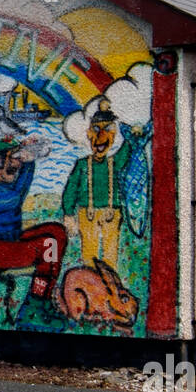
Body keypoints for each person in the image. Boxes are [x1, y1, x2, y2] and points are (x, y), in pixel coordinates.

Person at [0, 137, 67, 299]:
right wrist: (27, 164)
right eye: (11, 159)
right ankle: (38, 300)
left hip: (7, 242)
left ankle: (47, 288)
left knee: (56, 231)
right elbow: (16, 198)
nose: (15, 165)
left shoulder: (4, 183)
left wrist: (28, 161)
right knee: (48, 245)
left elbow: (19, 190)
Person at [62, 99, 132, 266]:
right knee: (89, 253)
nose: (101, 136)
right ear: (89, 133)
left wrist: (133, 132)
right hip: (87, 213)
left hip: (111, 212)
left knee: (110, 253)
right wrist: (68, 214)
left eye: (107, 129)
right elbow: (71, 188)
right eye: (96, 129)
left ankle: (111, 287)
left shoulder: (115, 162)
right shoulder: (82, 165)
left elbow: (128, 148)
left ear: (113, 134)